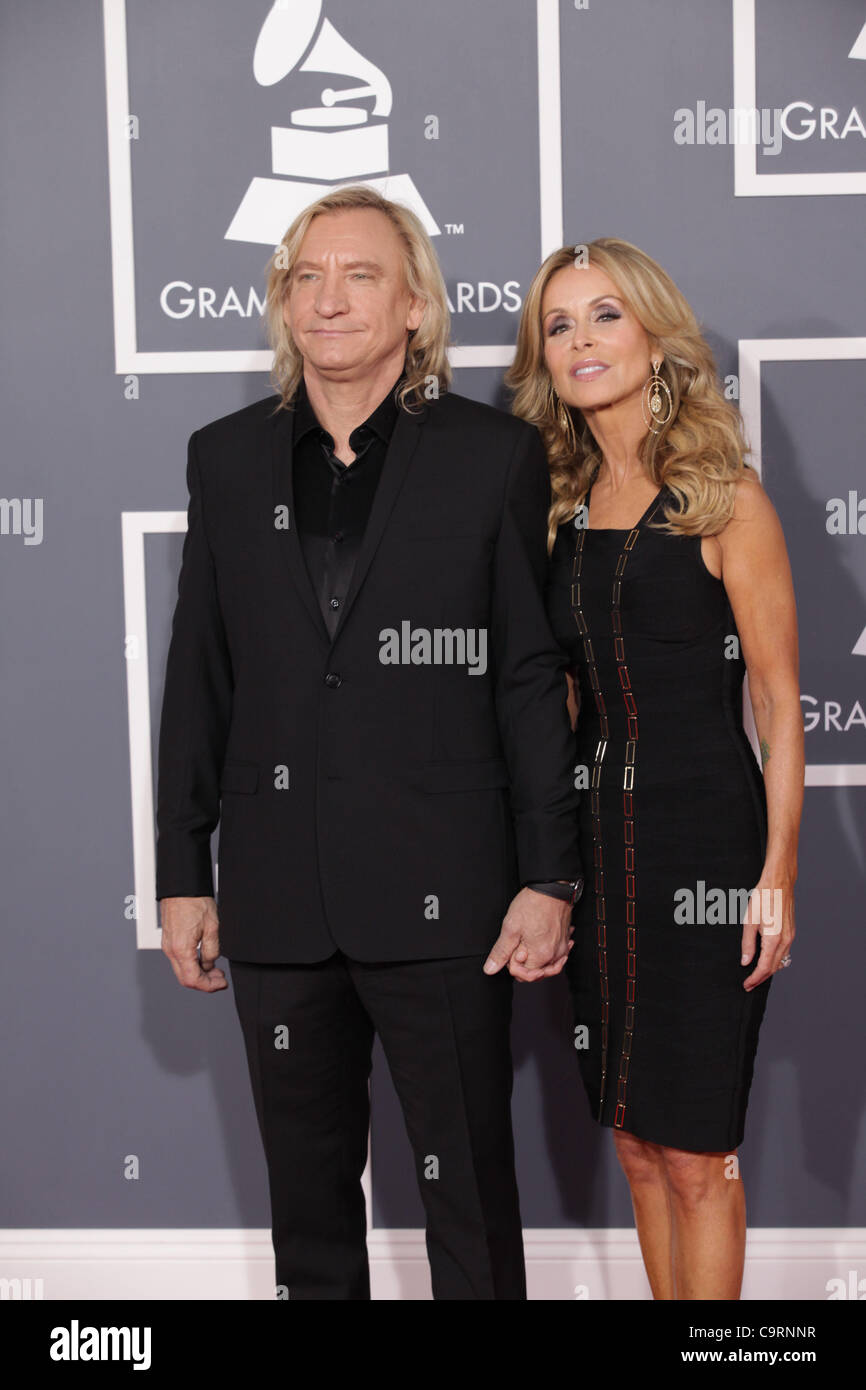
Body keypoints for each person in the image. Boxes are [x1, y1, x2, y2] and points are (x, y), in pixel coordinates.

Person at [154, 185, 583, 1301]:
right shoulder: (226, 459)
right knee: (305, 1207)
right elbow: (197, 674)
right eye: (306, 276)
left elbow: (529, 677)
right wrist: (179, 872)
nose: (328, 296)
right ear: (282, 304)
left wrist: (549, 873)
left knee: (469, 1203)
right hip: (277, 891)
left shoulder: (489, 455)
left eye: (359, 275)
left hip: (447, 892)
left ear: (414, 310)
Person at [507, 237, 803, 1300]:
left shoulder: (725, 499)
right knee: (634, 1145)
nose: (581, 341)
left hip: (707, 851)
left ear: (651, 333)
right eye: (558, 323)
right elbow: (565, 700)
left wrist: (774, 873)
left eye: (603, 316)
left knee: (693, 1152)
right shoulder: (556, 508)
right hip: (600, 856)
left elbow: (774, 701)